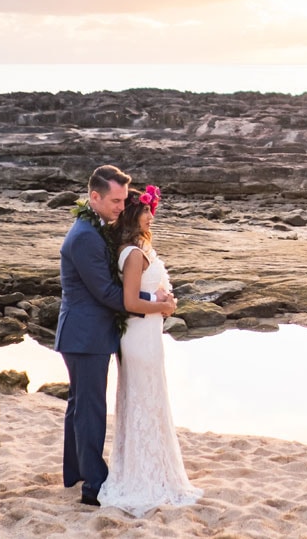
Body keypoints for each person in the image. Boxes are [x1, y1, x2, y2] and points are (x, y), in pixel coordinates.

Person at [56, 165, 176, 507]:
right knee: (90, 408)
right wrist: (156, 302)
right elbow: (109, 294)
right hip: (85, 334)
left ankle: (76, 472)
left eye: (124, 200)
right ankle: (93, 484)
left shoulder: (94, 229)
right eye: (116, 200)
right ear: (94, 197)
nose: (122, 207)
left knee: (80, 404)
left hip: (84, 332)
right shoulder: (84, 237)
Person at [97, 184, 202, 516]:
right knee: (143, 401)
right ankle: (142, 479)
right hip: (140, 337)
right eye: (146, 210)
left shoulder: (139, 249)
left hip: (149, 335)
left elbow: (147, 292)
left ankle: (155, 472)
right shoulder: (132, 254)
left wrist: (163, 302)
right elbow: (129, 301)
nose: (151, 215)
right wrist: (163, 307)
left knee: (151, 403)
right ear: (132, 213)